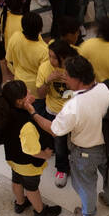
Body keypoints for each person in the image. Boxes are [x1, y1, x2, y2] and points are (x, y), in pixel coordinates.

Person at [50, 55, 109, 216]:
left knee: (86, 184)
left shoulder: (73, 105)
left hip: (85, 152)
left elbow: (56, 129)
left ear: (77, 79)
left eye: (67, 76)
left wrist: (34, 115)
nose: (65, 79)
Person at [0, 79, 62, 216]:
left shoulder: (5, 112)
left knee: (16, 180)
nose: (30, 92)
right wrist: (45, 154)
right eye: (26, 92)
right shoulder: (26, 124)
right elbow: (31, 150)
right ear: (20, 101)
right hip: (27, 164)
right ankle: (40, 211)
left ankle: (20, 203)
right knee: (31, 187)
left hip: (13, 158)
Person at [34, 38, 77, 188]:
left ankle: (78, 166)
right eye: (49, 55)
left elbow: (86, 88)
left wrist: (71, 83)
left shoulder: (75, 66)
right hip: (54, 112)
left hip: (74, 111)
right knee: (59, 142)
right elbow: (39, 94)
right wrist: (47, 81)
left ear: (64, 57)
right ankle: (62, 168)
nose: (50, 59)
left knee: (77, 140)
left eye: (54, 57)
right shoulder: (45, 68)